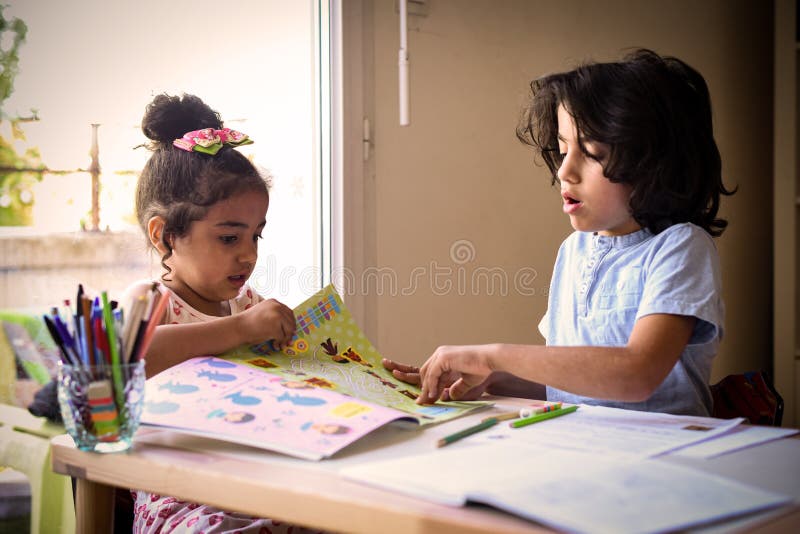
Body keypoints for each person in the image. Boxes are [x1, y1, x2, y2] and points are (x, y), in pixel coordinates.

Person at [383, 48, 735, 417]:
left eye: (591, 151)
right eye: (564, 148)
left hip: (667, 453)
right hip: (583, 445)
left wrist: (492, 355)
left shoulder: (681, 248)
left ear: (654, 165)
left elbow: (636, 375)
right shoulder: (573, 251)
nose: (565, 171)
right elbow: (578, 384)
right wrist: (491, 377)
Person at [124, 93, 321, 533]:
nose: (249, 255)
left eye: (256, 236)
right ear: (165, 236)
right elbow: (132, 358)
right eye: (230, 238)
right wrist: (240, 330)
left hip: (252, 478)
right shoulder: (152, 300)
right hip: (178, 494)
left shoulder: (247, 304)